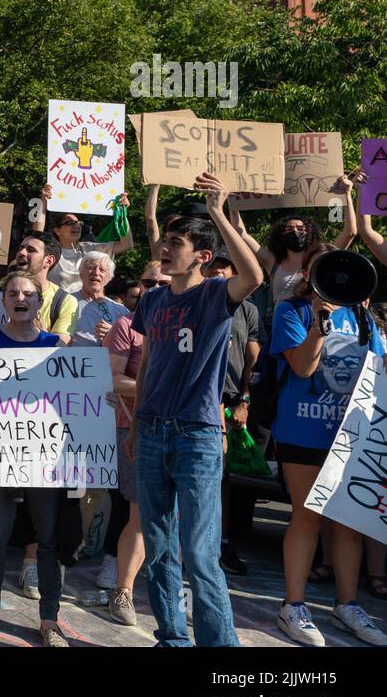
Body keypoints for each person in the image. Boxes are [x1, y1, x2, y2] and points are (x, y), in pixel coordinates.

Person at [128, 172, 261, 647]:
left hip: (197, 437)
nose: (164, 248)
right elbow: (146, 363)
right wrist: (137, 421)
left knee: (199, 554)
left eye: (176, 242)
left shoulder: (214, 296)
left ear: (202, 256)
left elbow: (255, 276)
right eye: (164, 240)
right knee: (159, 549)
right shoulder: (154, 299)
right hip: (152, 431)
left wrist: (218, 211)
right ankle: (172, 637)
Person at [268, 243, 387, 646]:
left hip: (350, 433)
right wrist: (320, 325)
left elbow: (377, 371)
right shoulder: (293, 311)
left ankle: (347, 604)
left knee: (347, 520)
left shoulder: (363, 316)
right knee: (307, 516)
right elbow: (302, 367)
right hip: (302, 431)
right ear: (307, 273)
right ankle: (294, 605)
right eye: (322, 269)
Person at [0, 270, 68, 646]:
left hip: (44, 457)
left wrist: (101, 402)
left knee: (48, 538)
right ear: (3, 300)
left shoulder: (56, 345)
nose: (20, 298)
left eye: (28, 293)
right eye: (13, 292)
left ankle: (49, 621)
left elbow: (71, 400)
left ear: (40, 302)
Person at [100, 262, 170, 626]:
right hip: (135, 429)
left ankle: (158, 593)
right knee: (140, 514)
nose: (153, 286)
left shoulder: (193, 321)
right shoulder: (127, 325)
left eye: (161, 280)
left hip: (184, 431)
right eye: (147, 281)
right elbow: (111, 378)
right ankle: (123, 591)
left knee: (170, 520)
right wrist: (158, 392)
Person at [201, 250, 262, 577]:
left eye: (225, 270)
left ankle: (220, 544)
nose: (218, 275)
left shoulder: (248, 310)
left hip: (228, 399)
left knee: (221, 476)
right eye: (212, 269)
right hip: (196, 398)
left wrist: (244, 401)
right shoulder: (196, 301)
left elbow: (253, 361)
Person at [231, 177, 355, 310]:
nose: (295, 232)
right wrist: (233, 204)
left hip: (312, 322)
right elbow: (241, 234)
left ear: (309, 232)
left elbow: (350, 233)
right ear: (281, 235)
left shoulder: (321, 258)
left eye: (301, 229)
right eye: (289, 229)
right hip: (280, 323)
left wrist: (347, 194)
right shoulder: (272, 261)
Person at [30, 185, 133, 292]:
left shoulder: (90, 249)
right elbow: (37, 234)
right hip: (58, 306)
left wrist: (122, 212)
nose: (77, 226)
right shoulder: (50, 251)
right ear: (57, 230)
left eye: (79, 223)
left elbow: (127, 244)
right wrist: (44, 201)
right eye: (70, 223)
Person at [0, 234, 78, 342]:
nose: (21, 253)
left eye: (31, 250)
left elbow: (59, 353)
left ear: (48, 261)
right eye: (21, 248)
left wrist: (37, 332)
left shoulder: (65, 302)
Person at [70, 251, 128, 347]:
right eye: (91, 268)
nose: (96, 272)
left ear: (109, 278)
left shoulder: (121, 311)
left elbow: (134, 343)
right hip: (74, 360)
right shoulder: (65, 302)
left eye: (102, 270)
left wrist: (114, 333)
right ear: (81, 274)